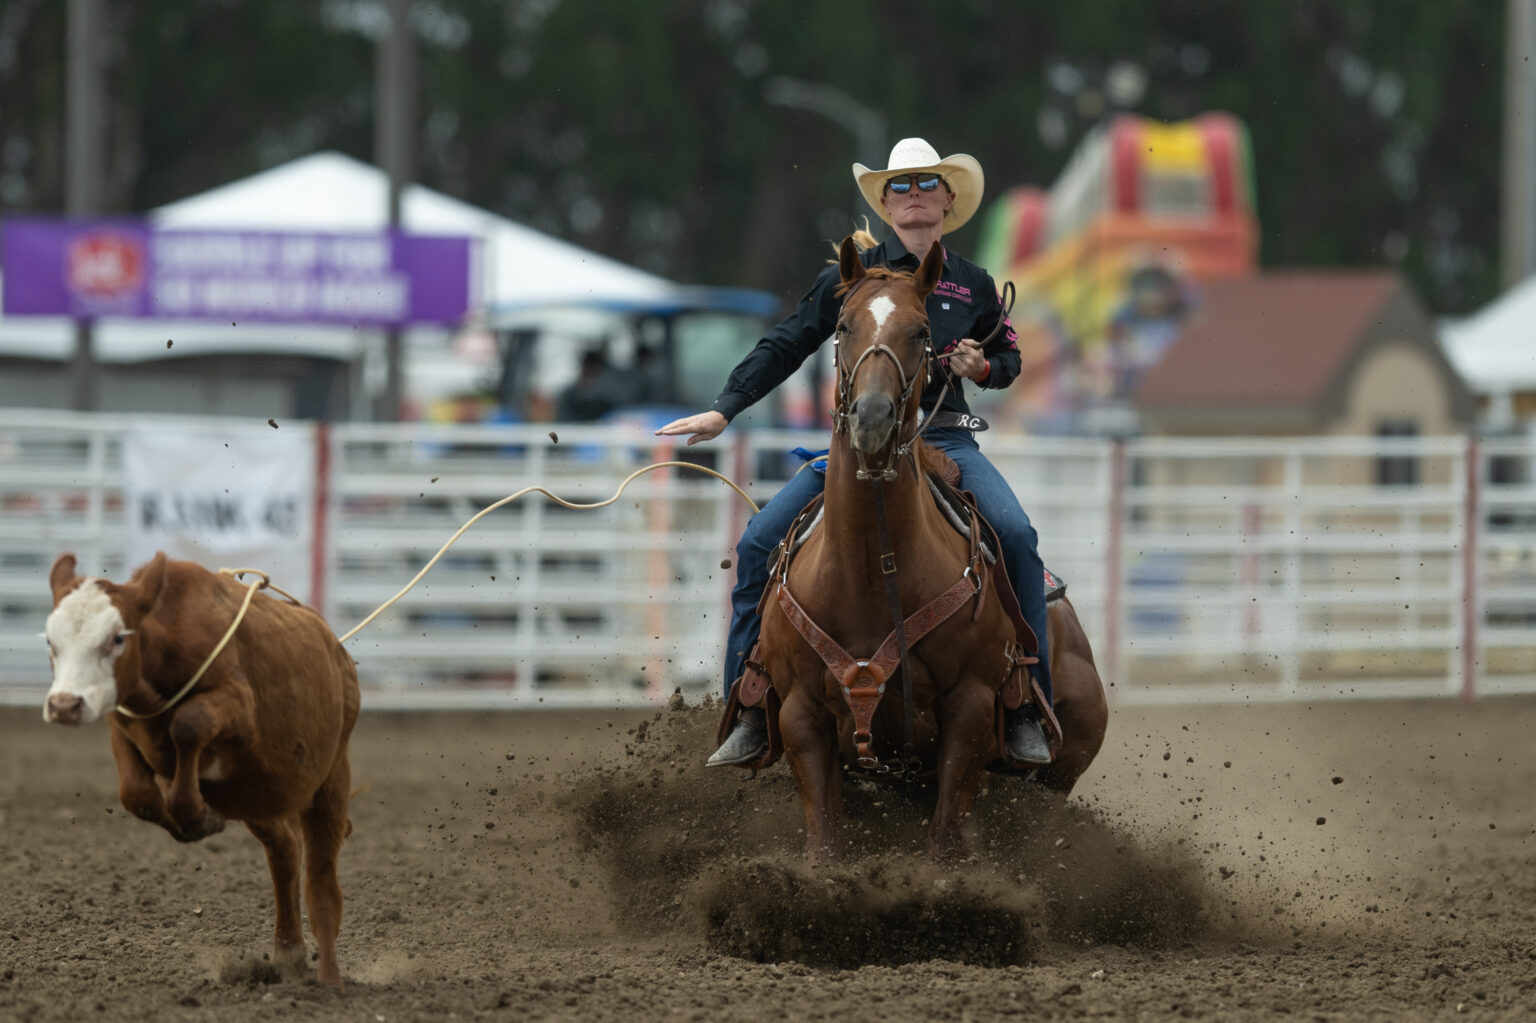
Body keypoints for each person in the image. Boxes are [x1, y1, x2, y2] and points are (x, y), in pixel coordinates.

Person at [655, 137, 1054, 767]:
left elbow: (1009, 358)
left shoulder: (972, 285)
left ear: (948, 199)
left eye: (927, 183)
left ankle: (1029, 701)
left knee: (1016, 536)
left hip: (944, 435)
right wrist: (724, 407)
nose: (914, 194)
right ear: (886, 200)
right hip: (855, 443)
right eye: (901, 185)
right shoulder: (848, 279)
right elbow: (787, 343)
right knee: (760, 542)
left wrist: (984, 366)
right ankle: (752, 706)